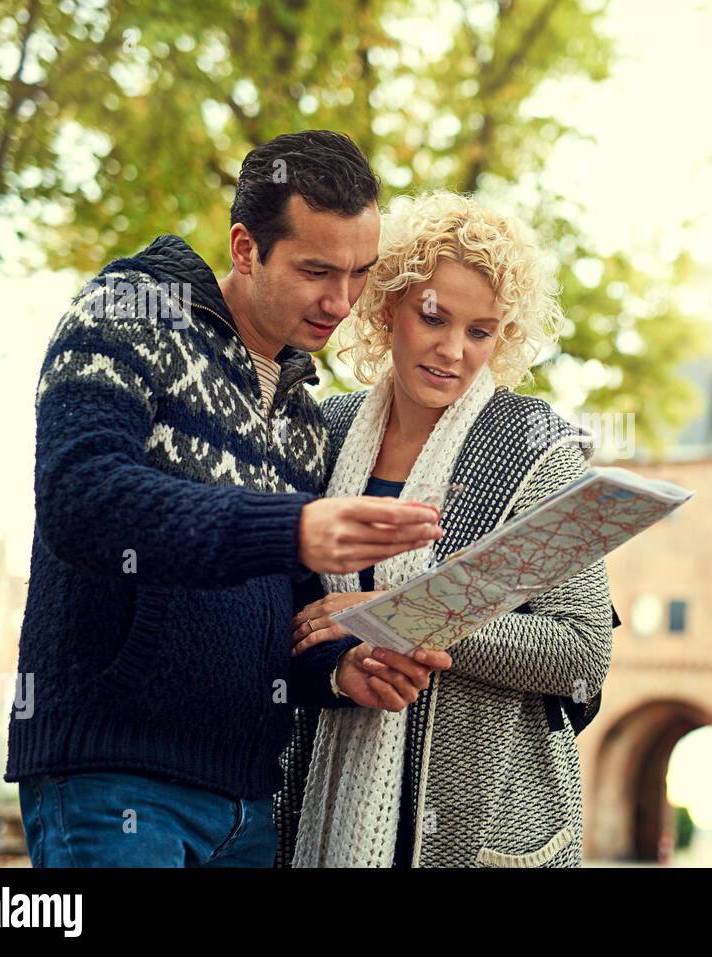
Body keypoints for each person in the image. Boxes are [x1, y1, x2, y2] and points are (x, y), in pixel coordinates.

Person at [6, 130, 451, 868]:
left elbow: (293, 613)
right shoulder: (129, 312)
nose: (340, 301)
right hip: (114, 784)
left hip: (248, 805)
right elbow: (80, 497)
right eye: (316, 270)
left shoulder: (307, 420)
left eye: (359, 273)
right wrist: (293, 527)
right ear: (246, 248)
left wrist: (343, 670)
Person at [283, 190, 614, 868]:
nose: (453, 351)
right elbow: (294, 617)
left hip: (487, 830)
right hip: (318, 806)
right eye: (433, 317)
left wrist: (393, 618)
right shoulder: (325, 431)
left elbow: (582, 653)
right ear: (387, 308)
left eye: (481, 331)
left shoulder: (540, 448)